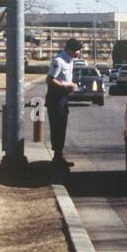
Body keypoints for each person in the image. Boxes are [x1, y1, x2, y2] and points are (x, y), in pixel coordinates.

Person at [46, 39, 81, 168]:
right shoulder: (59, 61)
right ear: (71, 49)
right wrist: (66, 86)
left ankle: (59, 155)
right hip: (56, 99)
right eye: (78, 50)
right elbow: (50, 80)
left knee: (62, 127)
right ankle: (57, 157)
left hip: (63, 98)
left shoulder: (70, 60)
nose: (79, 52)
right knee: (57, 127)